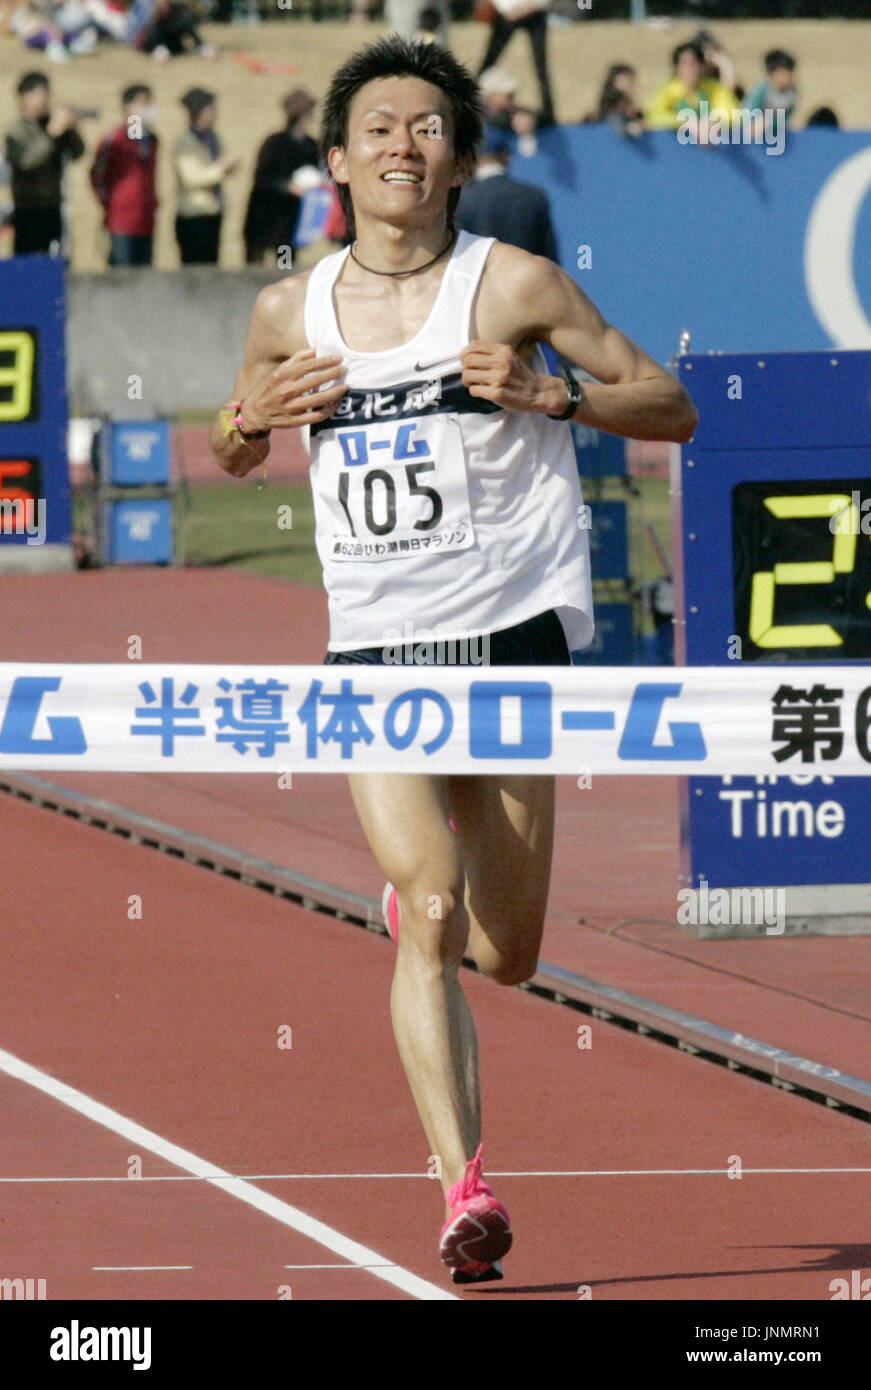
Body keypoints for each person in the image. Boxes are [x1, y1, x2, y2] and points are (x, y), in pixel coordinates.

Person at [210, 36, 696, 1284]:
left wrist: (556, 403)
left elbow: (668, 401)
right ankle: (462, 1190)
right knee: (426, 908)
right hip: (374, 649)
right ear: (336, 160)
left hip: (517, 640)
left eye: (428, 128)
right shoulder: (290, 308)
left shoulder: (516, 286)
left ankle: (427, 912)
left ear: (461, 160)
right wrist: (250, 420)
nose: (401, 147)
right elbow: (232, 440)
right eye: (378, 127)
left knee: (507, 950)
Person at [5, 70, 84, 254]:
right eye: (40, 95)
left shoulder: (51, 124)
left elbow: (77, 153)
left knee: (56, 262)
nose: (45, 100)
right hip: (28, 209)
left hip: (53, 207)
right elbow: (26, 161)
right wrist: (53, 132)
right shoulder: (17, 130)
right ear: (24, 97)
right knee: (27, 265)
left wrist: (71, 130)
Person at [456, 125, 557, 259]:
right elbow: (550, 258)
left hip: (482, 279)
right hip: (528, 278)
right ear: (507, 157)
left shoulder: (463, 200)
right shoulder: (533, 196)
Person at [243, 89, 319, 266]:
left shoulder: (311, 146)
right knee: (254, 268)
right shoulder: (274, 143)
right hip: (263, 220)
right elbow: (262, 177)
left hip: (288, 225)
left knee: (285, 266)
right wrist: (287, 186)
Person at [90, 84, 158, 267]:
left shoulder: (150, 140)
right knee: (121, 278)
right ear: (128, 107)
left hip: (145, 221)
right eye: (143, 103)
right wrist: (113, 204)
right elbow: (98, 176)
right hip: (121, 222)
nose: (148, 108)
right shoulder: (115, 140)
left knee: (143, 279)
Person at [173, 87, 237, 265]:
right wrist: (221, 168)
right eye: (210, 108)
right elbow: (192, 179)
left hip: (213, 213)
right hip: (194, 217)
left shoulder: (213, 137)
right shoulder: (185, 142)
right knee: (195, 270)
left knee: (211, 267)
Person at [476, 0, 555, 127]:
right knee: (488, 63)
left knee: (541, 67)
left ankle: (550, 114)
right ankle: (470, 107)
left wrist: (533, 5)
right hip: (508, 12)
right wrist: (506, 8)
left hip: (534, 11)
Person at [645, 39, 739, 130]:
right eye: (684, 63)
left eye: (694, 63)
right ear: (677, 67)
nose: (690, 69)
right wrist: (687, 122)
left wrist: (714, 121)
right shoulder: (668, 90)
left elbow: (733, 115)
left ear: (702, 66)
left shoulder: (716, 89)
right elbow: (653, 115)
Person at [746, 49, 798, 128]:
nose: (787, 78)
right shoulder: (762, 90)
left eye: (789, 74)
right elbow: (749, 112)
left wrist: (770, 123)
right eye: (783, 74)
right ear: (772, 74)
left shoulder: (792, 93)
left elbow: (785, 118)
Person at [590, 62, 643, 138]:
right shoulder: (612, 110)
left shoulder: (630, 108)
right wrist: (630, 129)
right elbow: (619, 128)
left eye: (631, 80)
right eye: (625, 79)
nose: (629, 83)